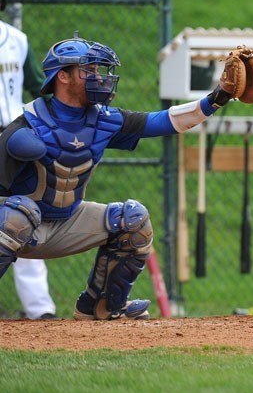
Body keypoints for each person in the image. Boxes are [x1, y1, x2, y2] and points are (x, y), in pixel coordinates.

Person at [0, 34, 237, 320]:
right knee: (18, 214)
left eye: (98, 70)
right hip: (22, 229)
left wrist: (217, 98)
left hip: (66, 222)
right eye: (88, 70)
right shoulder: (27, 125)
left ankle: (101, 307)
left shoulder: (102, 119)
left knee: (133, 220)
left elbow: (165, 121)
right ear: (62, 76)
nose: (99, 77)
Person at [0, 0, 57, 319]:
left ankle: (40, 310)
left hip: (14, 141)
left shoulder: (16, 40)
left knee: (23, 215)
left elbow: (40, 87)